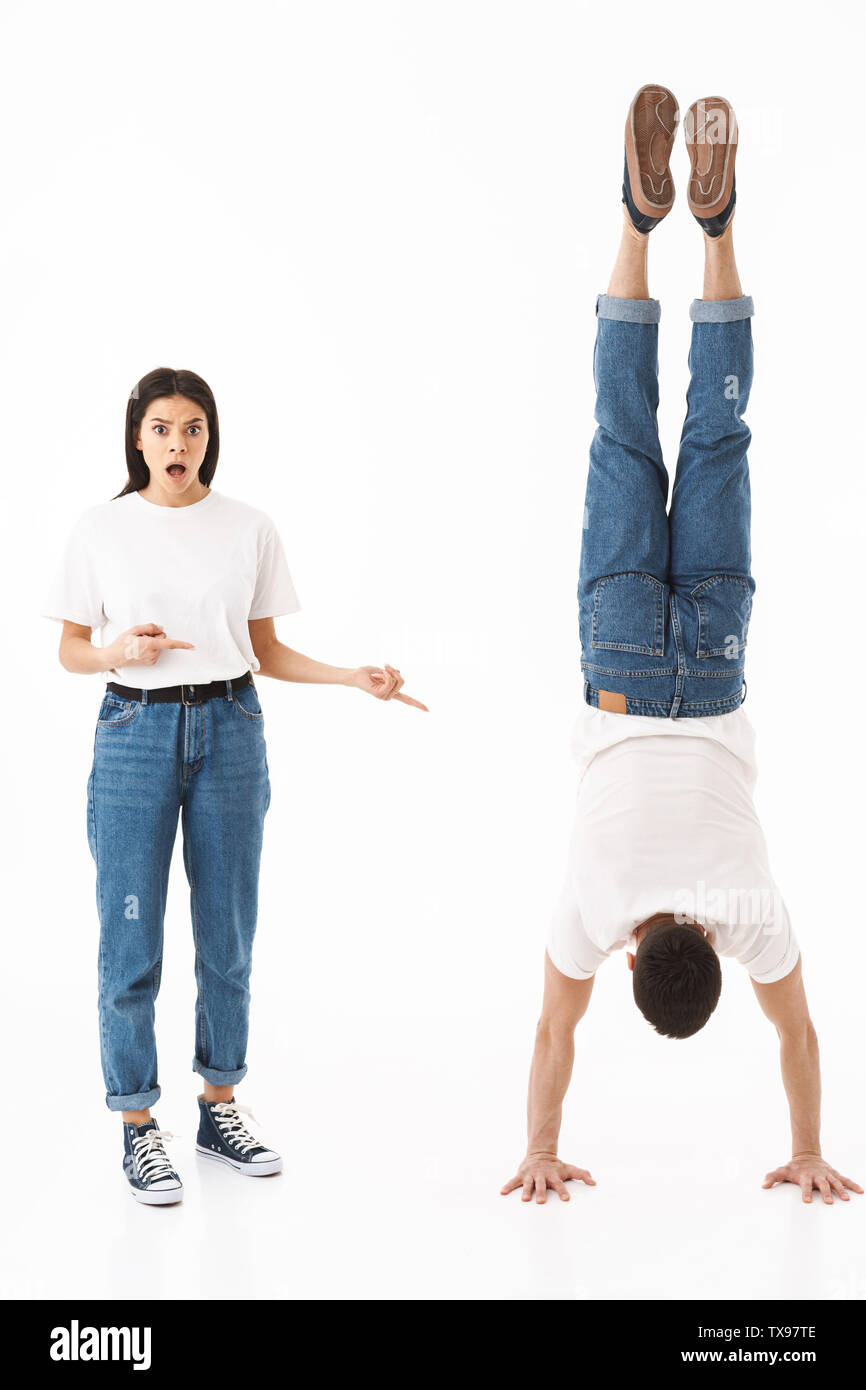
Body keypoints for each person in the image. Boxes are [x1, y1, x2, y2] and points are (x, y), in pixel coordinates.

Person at [502, 87, 862, 1208]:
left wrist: (807, 1144)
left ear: (708, 948)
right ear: (630, 960)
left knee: (715, 433)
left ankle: (713, 229)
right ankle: (634, 219)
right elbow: (550, 1037)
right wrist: (538, 1147)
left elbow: (795, 1031)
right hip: (617, 661)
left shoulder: (750, 909)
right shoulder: (593, 903)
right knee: (618, 428)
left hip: (708, 657)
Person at [42, 367, 427, 1205]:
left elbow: (268, 650)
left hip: (230, 734)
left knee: (228, 936)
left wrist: (352, 676)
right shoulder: (100, 528)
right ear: (135, 437)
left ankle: (219, 1107)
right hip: (133, 735)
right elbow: (71, 647)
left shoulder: (248, 527)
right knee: (130, 938)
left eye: (192, 428)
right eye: (161, 429)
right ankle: (138, 1125)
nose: (177, 444)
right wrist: (116, 653)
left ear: (209, 435)